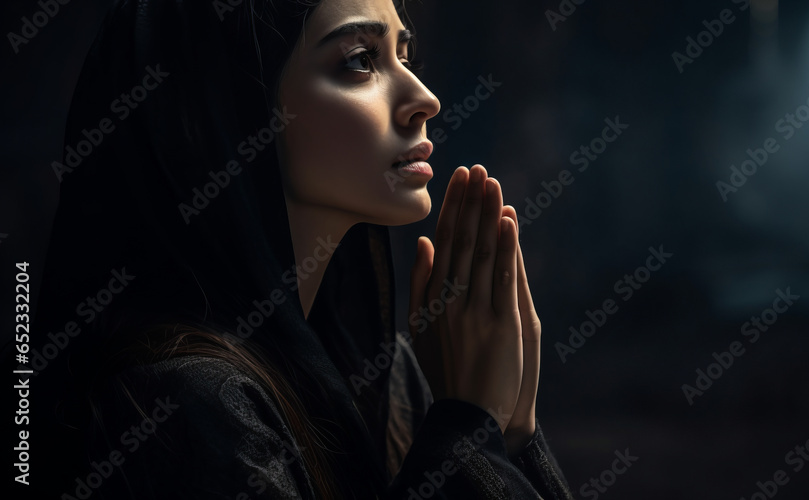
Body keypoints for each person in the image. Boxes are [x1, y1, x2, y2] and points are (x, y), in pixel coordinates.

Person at [31, 0, 574, 498]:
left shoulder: (388, 373)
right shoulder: (185, 404)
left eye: (405, 56)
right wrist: (468, 429)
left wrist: (511, 432)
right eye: (361, 61)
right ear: (228, 106)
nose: (423, 99)